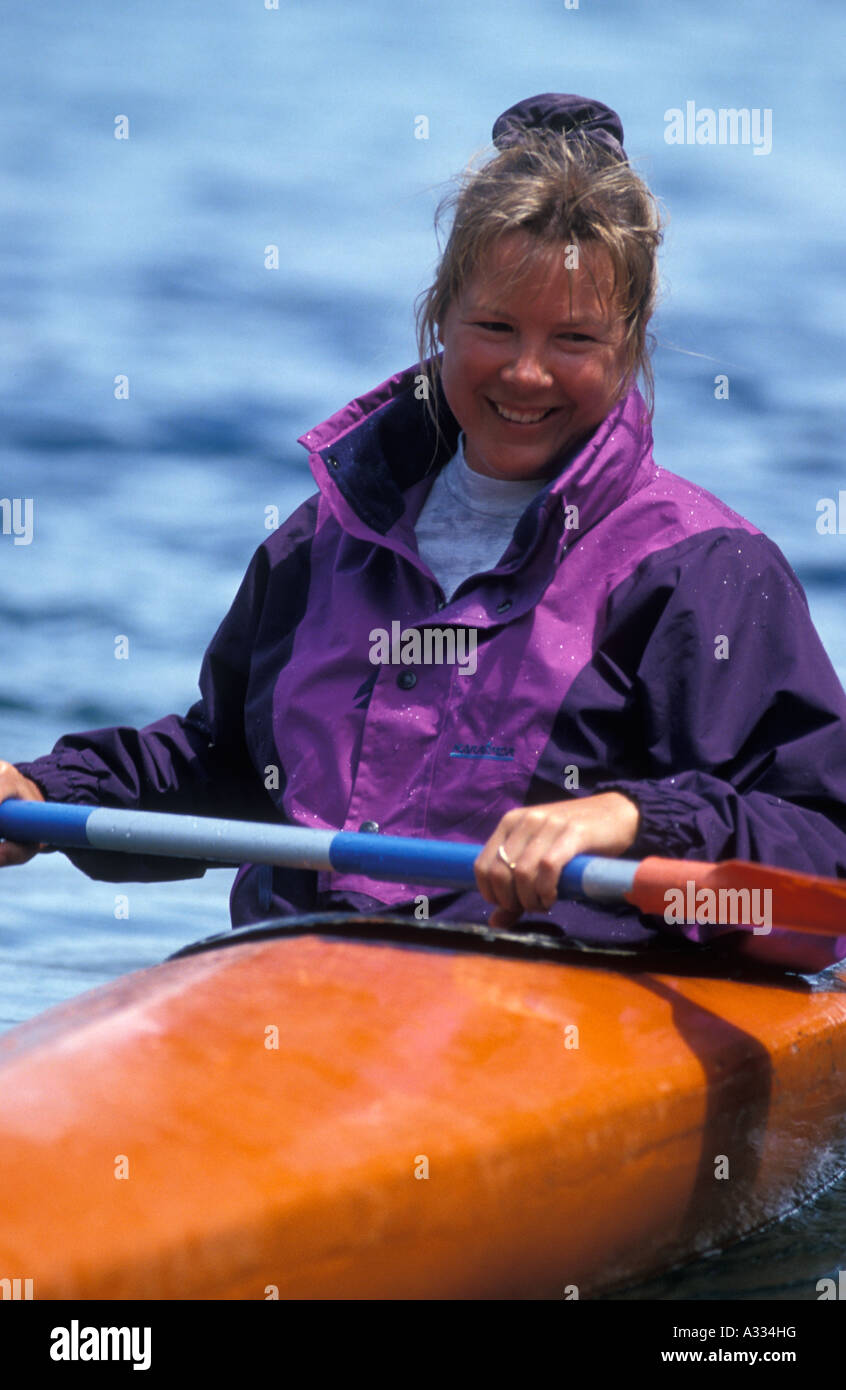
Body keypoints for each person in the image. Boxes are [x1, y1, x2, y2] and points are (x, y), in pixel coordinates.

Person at [3, 93, 846, 962]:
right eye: (494, 327)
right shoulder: (318, 545)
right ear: (439, 317)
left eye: (573, 339)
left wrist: (631, 818)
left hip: (553, 1014)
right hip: (287, 994)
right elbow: (228, 768)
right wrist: (41, 791)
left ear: (630, 347)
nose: (525, 373)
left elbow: (825, 853)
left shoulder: (705, 572)